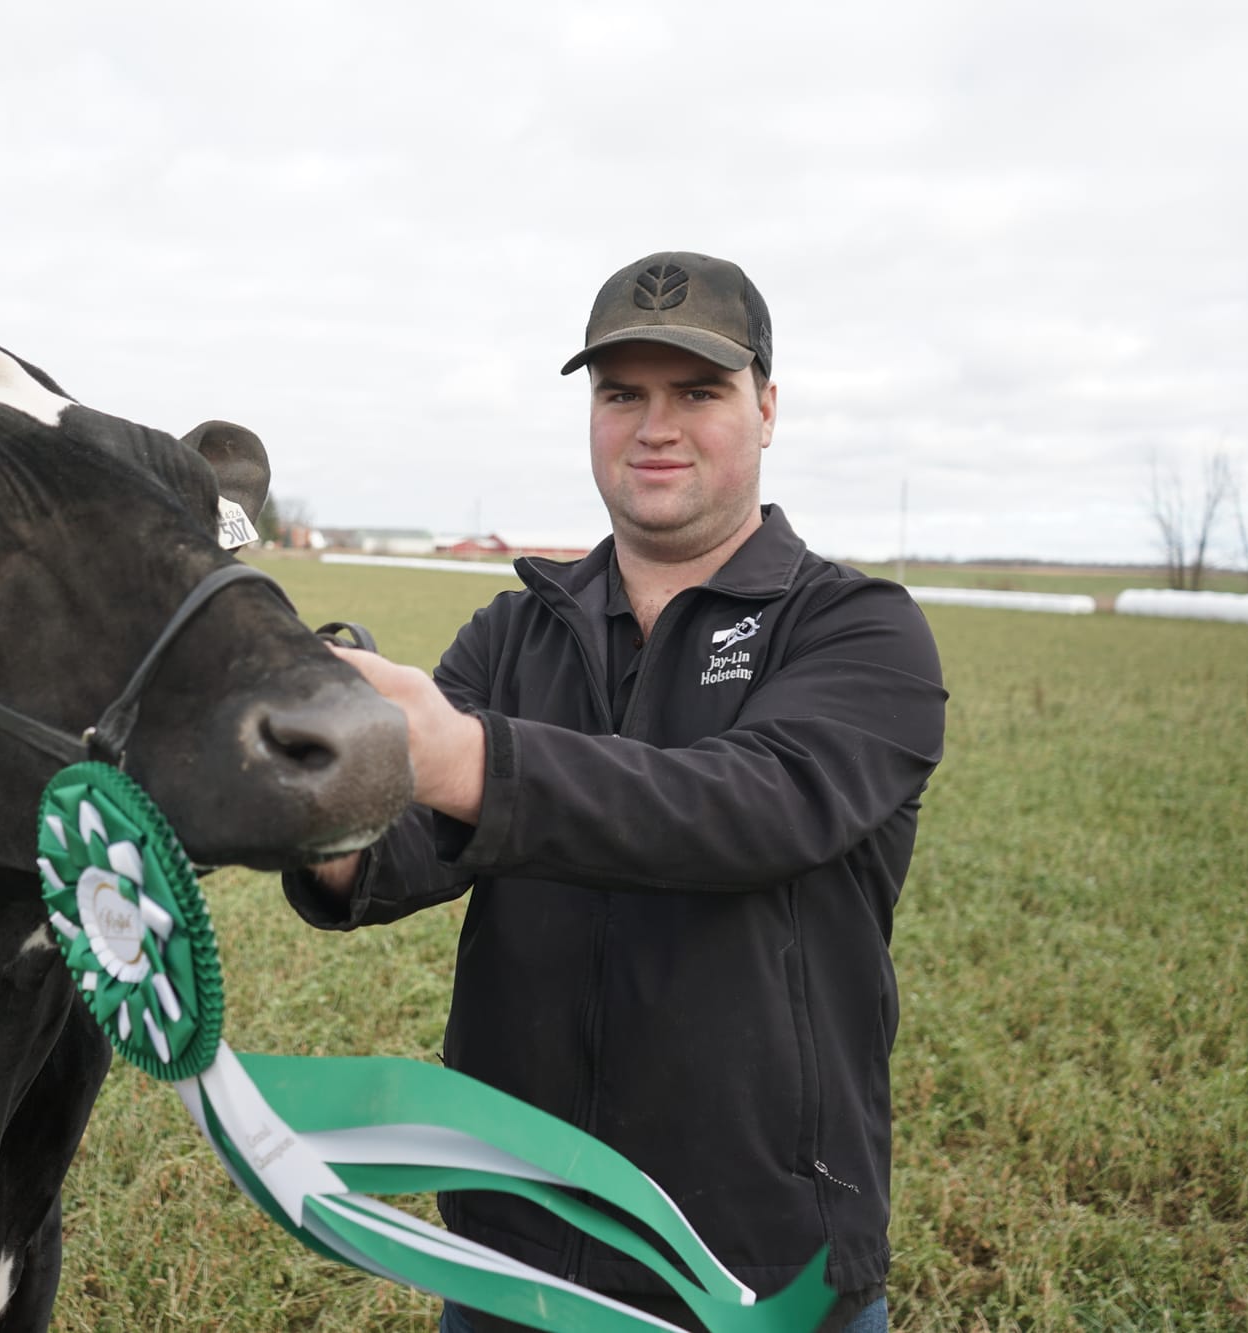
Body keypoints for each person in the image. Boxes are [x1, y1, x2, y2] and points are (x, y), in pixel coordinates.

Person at [285, 251, 947, 1333]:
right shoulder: (514, 633)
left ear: (766, 408)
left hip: (757, 1273)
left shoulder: (854, 628)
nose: (655, 426)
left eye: (697, 392)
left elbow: (747, 808)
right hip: (515, 1263)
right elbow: (398, 851)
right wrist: (314, 792)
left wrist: (460, 757)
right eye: (619, 393)